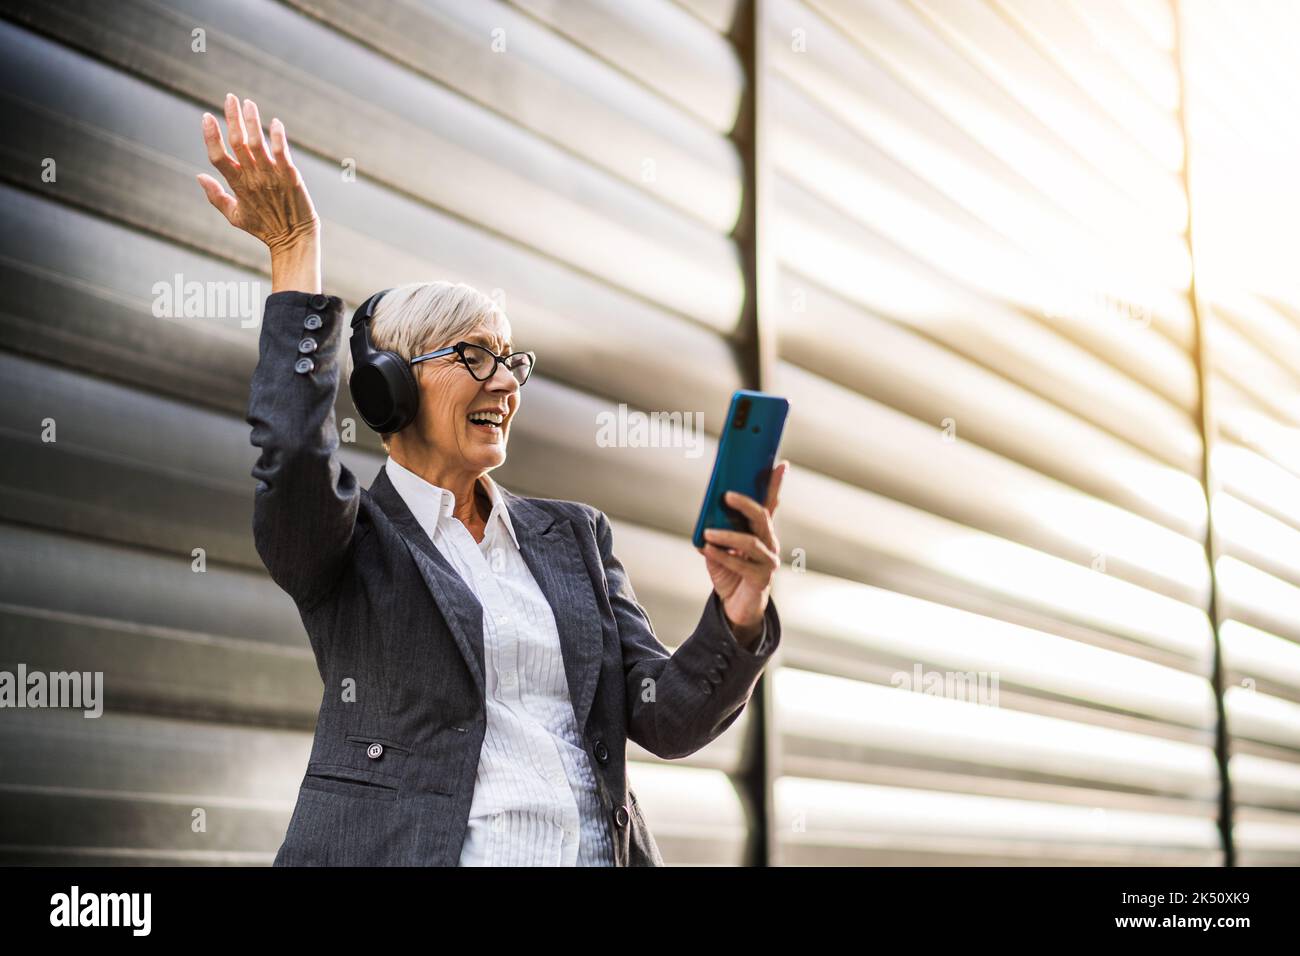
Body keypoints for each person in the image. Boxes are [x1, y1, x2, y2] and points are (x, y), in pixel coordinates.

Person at [197, 93, 787, 866]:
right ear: (389, 390)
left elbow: (666, 718)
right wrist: (295, 252)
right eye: (475, 357)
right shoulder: (348, 545)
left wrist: (738, 616)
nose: (505, 383)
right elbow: (293, 453)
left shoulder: (574, 537)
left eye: (512, 361)